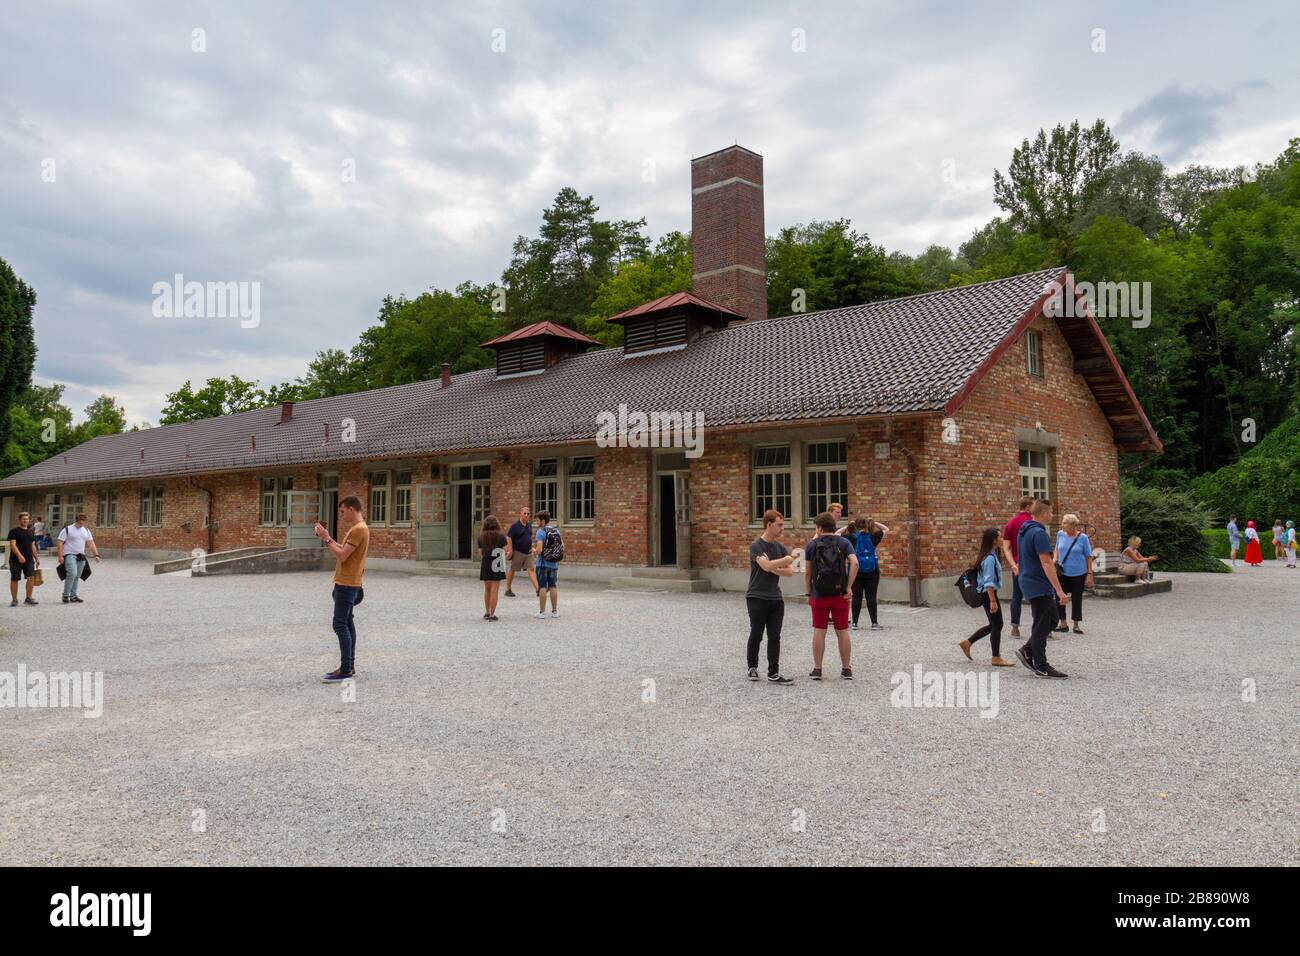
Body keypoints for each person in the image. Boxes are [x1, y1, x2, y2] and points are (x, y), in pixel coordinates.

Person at [313, 495, 369, 683]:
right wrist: (328, 537)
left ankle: (345, 669)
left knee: (339, 624)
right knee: (347, 622)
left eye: (343, 511)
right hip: (349, 582)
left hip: (347, 584)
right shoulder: (359, 529)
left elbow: (342, 556)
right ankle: (349, 666)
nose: (341, 515)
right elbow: (342, 551)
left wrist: (326, 538)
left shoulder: (358, 530)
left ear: (352, 509)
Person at [1013, 498, 1069, 679]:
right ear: (1043, 513)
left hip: (1029, 580)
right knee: (1043, 623)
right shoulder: (1039, 533)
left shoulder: (1025, 530)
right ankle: (1041, 665)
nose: (1052, 515)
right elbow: (1046, 562)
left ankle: (1028, 650)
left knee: (1051, 619)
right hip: (1037, 582)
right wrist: (1059, 590)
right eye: (1051, 512)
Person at [804, 511, 859, 680]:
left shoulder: (812, 545)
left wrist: (808, 592)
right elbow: (855, 563)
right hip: (840, 594)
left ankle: (818, 669)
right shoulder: (843, 542)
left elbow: (807, 573)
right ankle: (846, 669)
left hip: (819, 594)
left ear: (819, 528)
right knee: (842, 631)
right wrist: (849, 587)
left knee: (819, 631)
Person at [746, 509, 795, 684]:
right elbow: (768, 565)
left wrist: (773, 565)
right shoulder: (756, 546)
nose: (782, 528)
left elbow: (789, 572)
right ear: (769, 524)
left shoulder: (779, 547)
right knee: (757, 634)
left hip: (775, 598)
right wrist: (785, 560)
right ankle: (752, 667)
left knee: (775, 636)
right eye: (779, 525)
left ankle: (773, 672)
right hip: (756, 597)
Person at [959, 528, 1015, 666]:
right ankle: (996, 657)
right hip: (988, 594)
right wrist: (993, 600)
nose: (1002, 539)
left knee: (994, 624)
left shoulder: (991, 555)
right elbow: (988, 582)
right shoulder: (989, 558)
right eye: (1000, 537)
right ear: (994, 540)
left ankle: (968, 643)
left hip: (988, 593)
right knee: (997, 625)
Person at [844, 516, 888, 631]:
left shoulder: (851, 537)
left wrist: (849, 525)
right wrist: (874, 523)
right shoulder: (874, 536)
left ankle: (854, 623)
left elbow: (837, 533)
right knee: (871, 596)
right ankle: (874, 623)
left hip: (856, 570)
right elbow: (886, 529)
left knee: (856, 597)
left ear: (856, 526)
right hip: (872, 570)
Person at [1052, 513, 1093, 635]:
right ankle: (1063, 623)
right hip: (1062, 572)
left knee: (1076, 598)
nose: (1062, 525)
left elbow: (1088, 556)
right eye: (1063, 522)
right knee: (1059, 597)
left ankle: (1076, 624)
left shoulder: (1083, 537)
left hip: (1078, 573)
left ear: (1073, 525)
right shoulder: (1060, 534)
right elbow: (1057, 548)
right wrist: (1055, 559)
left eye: (1065, 523)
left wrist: (1089, 573)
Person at [1001, 496, 1034, 639]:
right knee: (1037, 596)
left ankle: (1015, 628)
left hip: (1017, 565)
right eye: (1033, 505)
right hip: (1032, 564)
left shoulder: (1011, 522)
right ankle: (1042, 627)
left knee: (1017, 596)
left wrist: (1013, 564)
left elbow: (1006, 547)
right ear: (1028, 507)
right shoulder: (1033, 522)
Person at [56, 513, 100, 604]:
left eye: (83, 522)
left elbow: (91, 543)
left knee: (77, 576)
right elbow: (60, 542)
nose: (81, 524)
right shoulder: (67, 529)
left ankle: (73, 596)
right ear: (76, 520)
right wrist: (60, 556)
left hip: (81, 556)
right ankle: (65, 594)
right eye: (80, 522)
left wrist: (96, 555)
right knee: (72, 573)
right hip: (69, 554)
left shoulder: (86, 530)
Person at [479, 515, 510, 621]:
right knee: (494, 590)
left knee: (487, 590)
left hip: (486, 563)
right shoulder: (501, 536)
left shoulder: (481, 537)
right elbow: (506, 551)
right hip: (497, 564)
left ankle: (487, 612)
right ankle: (492, 614)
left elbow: (480, 554)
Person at [7, 511, 40, 607]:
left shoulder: (31, 532)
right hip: (15, 560)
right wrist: (19, 556)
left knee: (31, 578)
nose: (25, 520)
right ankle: (14, 600)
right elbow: (13, 545)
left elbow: (33, 546)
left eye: (27, 519)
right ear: (19, 520)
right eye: (23, 519)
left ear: (29, 520)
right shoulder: (14, 531)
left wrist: (37, 559)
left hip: (29, 559)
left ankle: (28, 598)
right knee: (15, 579)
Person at [533, 510, 560, 619]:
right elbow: (562, 547)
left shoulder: (541, 532)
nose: (536, 522)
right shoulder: (556, 531)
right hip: (553, 563)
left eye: (538, 520)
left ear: (543, 521)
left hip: (542, 564)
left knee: (542, 587)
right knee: (553, 586)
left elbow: (539, 549)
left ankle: (542, 612)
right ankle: (554, 611)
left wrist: (534, 551)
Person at [504, 507, 536, 597]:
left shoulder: (529, 525)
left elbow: (529, 537)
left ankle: (538, 589)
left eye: (528, 513)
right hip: (518, 551)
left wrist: (531, 547)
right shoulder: (515, 526)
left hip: (528, 552)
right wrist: (510, 550)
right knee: (513, 570)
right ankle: (508, 589)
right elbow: (509, 537)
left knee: (531, 569)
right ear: (520, 514)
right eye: (525, 513)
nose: (526, 515)